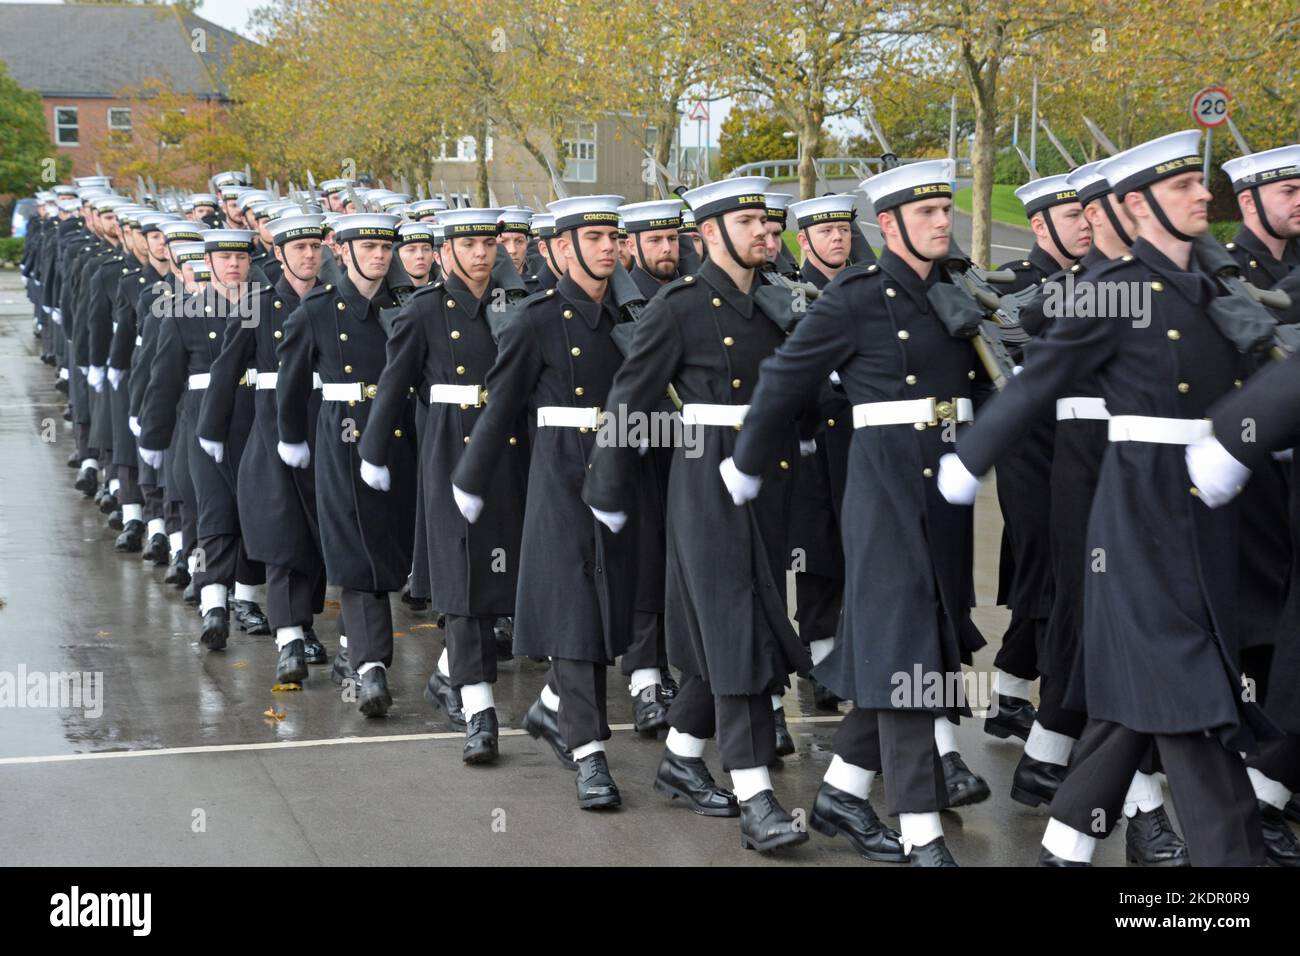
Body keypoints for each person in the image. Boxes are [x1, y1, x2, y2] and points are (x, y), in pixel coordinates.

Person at [939, 129, 1270, 866]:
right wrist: (970, 462)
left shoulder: (1211, 288)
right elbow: (1037, 382)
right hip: (1137, 526)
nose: (1201, 196)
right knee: (1192, 711)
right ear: (1137, 204)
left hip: (1205, 526)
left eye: (1199, 184)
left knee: (1134, 706)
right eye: (1183, 186)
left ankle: (1062, 846)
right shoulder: (1117, 289)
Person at [583, 177, 814, 849]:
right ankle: (755, 794)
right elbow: (629, 401)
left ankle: (684, 755)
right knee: (735, 628)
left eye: (768, 224)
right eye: (750, 223)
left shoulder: (772, 305)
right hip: (705, 480)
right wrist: (608, 491)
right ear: (709, 233)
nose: (766, 233)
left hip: (766, 479)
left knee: (741, 627)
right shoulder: (678, 308)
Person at [452, 194, 640, 808]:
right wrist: (470, 480)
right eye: (595, 236)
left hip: (622, 472)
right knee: (575, 614)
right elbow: (501, 405)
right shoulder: (533, 321)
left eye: (614, 235)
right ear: (562, 249)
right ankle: (589, 755)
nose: (610, 245)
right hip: (560, 478)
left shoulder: (634, 315)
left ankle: (553, 704)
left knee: (612, 613)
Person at [360, 207, 528, 763]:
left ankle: (446, 672)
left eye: (488, 243)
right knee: (462, 583)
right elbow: (394, 384)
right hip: (450, 448)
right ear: (444, 251)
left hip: (509, 447)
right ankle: (480, 711)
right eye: (469, 244)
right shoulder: (424, 310)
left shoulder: (519, 306)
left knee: (503, 578)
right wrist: (373, 451)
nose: (481, 254)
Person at [276, 213, 417, 716]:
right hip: (344, 437)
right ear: (345, 250)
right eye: (370, 246)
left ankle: (349, 646)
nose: (380, 255)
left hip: (402, 434)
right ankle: (371, 668)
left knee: (387, 546)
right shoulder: (317, 309)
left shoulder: (406, 305)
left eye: (386, 247)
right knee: (358, 553)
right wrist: (292, 438)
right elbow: (290, 383)